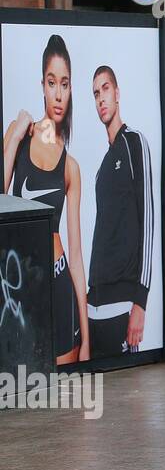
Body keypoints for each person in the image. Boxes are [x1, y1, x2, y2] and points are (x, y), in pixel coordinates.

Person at [2, 35, 91, 364]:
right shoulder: (18, 134)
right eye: (52, 82)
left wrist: (86, 336)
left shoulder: (71, 167)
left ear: (70, 90)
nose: (57, 93)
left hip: (58, 280)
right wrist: (14, 137)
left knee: (64, 399)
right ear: (42, 85)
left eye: (64, 84)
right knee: (25, 382)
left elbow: (78, 258)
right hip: (20, 282)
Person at [86, 66, 154, 358]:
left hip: (123, 302)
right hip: (94, 304)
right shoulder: (101, 168)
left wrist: (140, 302)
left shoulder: (134, 143)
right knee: (97, 399)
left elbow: (149, 222)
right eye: (95, 93)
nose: (101, 98)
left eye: (105, 89)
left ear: (117, 94)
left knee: (128, 399)